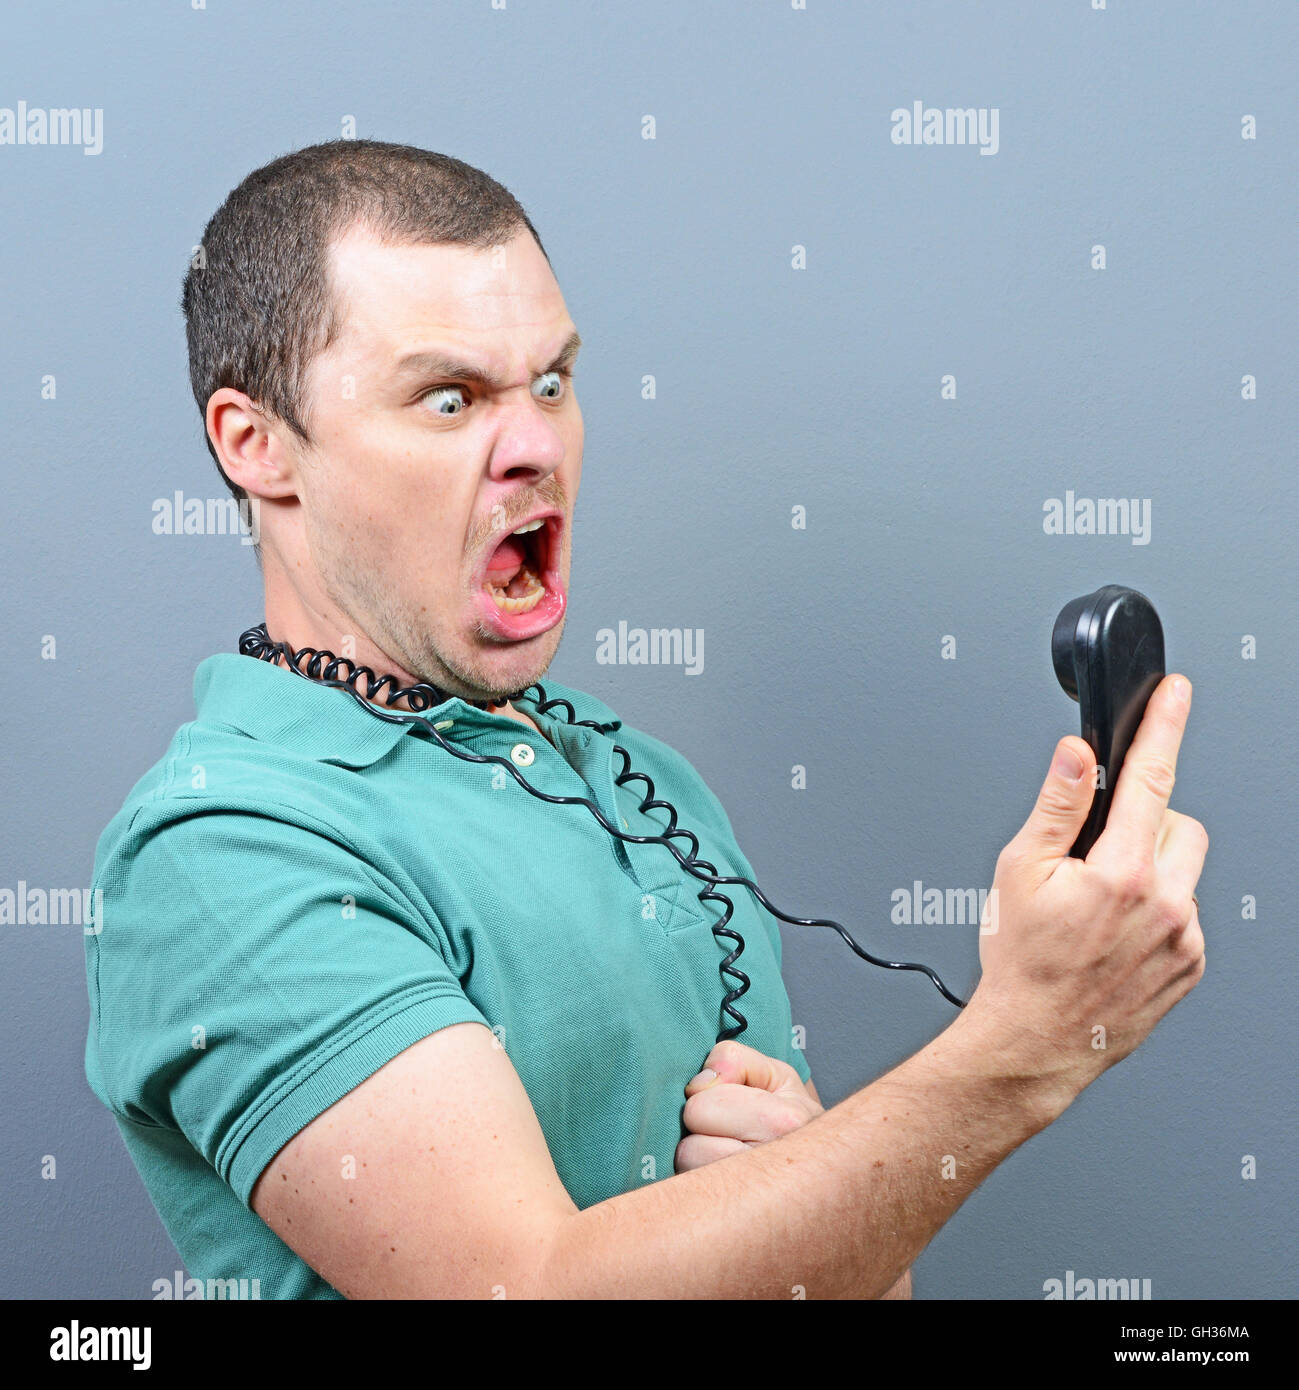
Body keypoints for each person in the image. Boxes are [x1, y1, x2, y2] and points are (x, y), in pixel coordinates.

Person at [83, 139, 1207, 1300]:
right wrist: (1025, 1042)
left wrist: (818, 1193)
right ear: (255, 444)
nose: (533, 447)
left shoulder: (635, 778)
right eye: (449, 396)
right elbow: (523, 1290)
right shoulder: (221, 853)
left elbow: (858, 1280)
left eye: (554, 383)